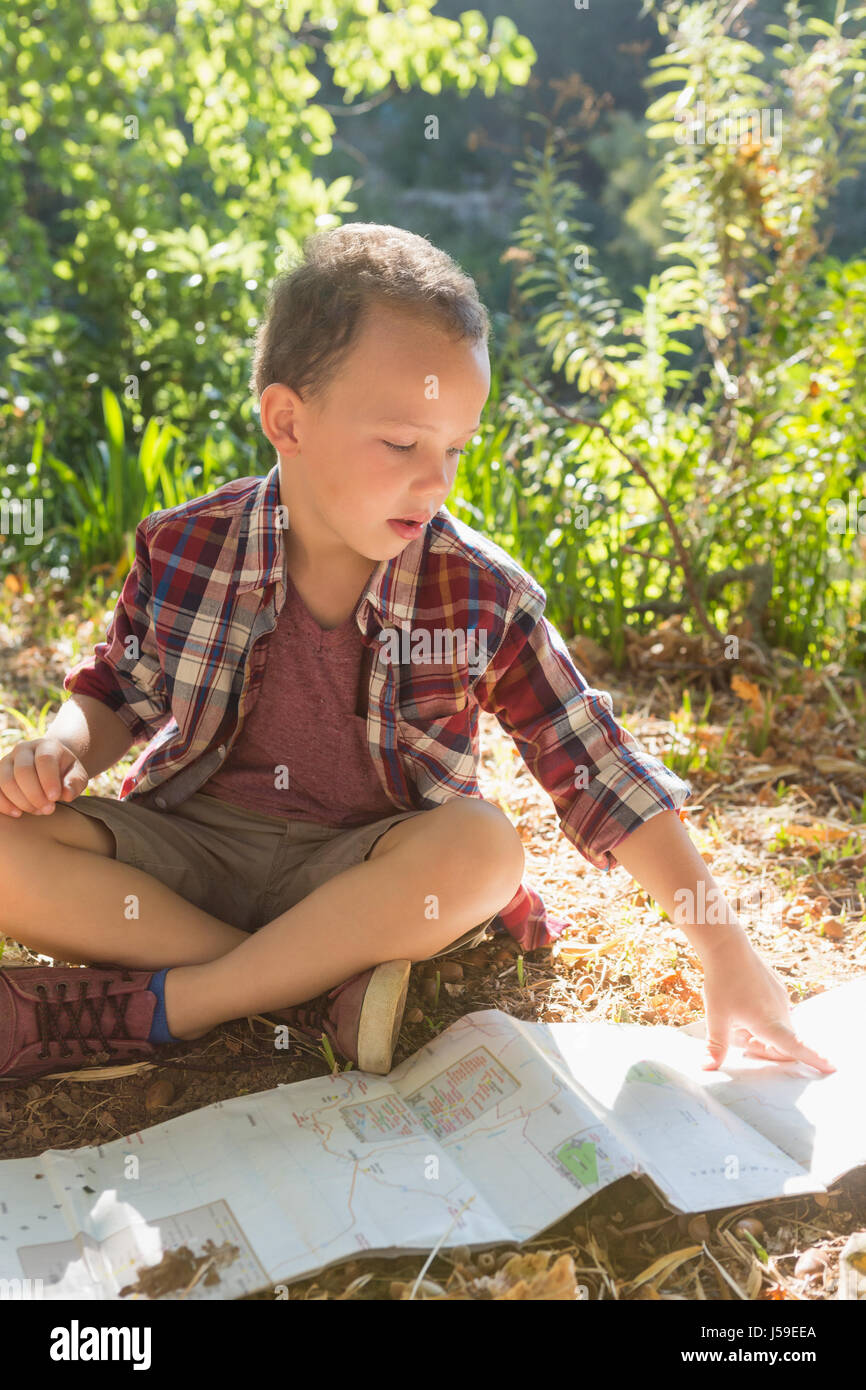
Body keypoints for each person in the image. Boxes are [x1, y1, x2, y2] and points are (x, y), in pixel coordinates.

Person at [0, 223, 835, 1081]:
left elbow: (594, 762)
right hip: (193, 851)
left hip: (366, 872)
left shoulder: (476, 591)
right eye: (401, 444)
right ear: (288, 419)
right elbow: (119, 688)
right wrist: (62, 747)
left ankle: (180, 1004)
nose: (435, 480)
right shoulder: (188, 544)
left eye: (454, 449)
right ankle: (311, 982)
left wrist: (729, 957)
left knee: (481, 849)